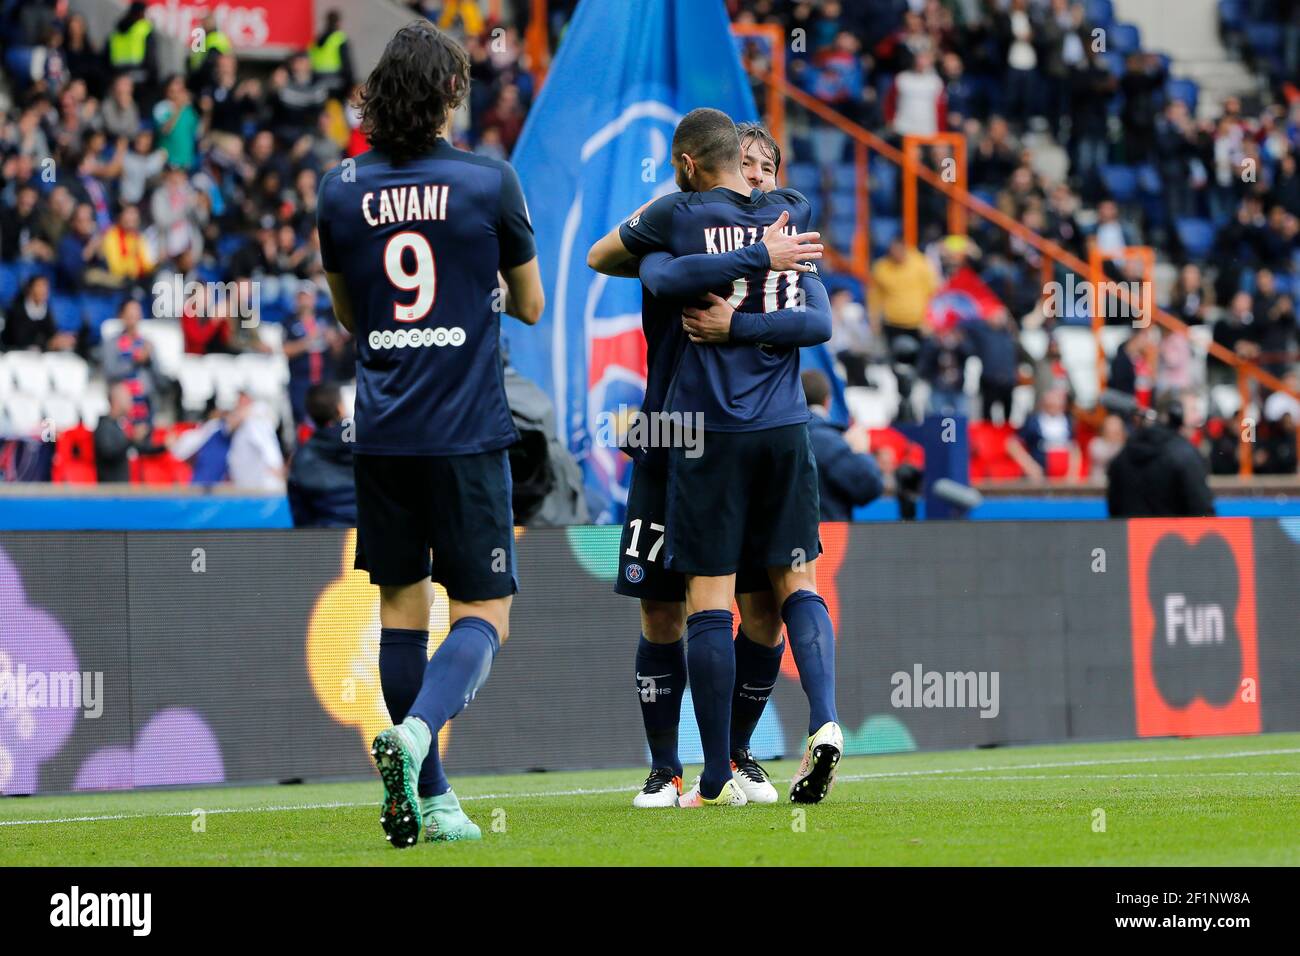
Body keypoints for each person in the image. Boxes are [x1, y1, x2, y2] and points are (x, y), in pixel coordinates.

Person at [317, 21, 543, 847]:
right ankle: (417, 739)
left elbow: (350, 314)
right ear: (452, 92)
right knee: (486, 610)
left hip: (381, 431)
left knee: (401, 611)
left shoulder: (338, 189)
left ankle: (438, 801)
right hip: (466, 429)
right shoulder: (489, 182)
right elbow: (530, 304)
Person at [587, 110, 842, 808]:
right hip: (671, 432)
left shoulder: (786, 233)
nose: (758, 177)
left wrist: (742, 317)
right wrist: (667, 216)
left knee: (758, 610)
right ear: (722, 166)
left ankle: (732, 758)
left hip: (733, 435)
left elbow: (817, 321)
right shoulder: (681, 220)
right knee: (659, 609)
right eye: (748, 164)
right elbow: (616, 258)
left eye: (769, 168)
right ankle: (666, 769)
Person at [1107, 399, 1215, 517]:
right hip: (1175, 534)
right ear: (1176, 414)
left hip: (1129, 534)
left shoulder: (1124, 454)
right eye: (1193, 410)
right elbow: (1203, 511)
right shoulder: (1186, 454)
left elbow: (1114, 509)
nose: (1198, 418)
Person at [803, 370, 884, 520]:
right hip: (826, 537)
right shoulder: (828, 441)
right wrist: (860, 452)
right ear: (827, 401)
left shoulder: (777, 435)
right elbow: (868, 487)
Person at [287, 383, 356, 527]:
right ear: (340, 408)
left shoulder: (301, 458)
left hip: (325, 540)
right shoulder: (367, 444)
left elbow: (300, 518)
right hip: (370, 538)